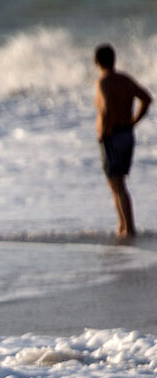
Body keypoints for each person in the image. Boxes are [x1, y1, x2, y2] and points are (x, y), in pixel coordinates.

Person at [95, 43, 152, 239]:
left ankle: (128, 228)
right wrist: (133, 122)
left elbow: (106, 108)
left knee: (117, 184)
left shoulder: (104, 82)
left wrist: (102, 130)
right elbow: (146, 98)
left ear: (97, 62)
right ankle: (122, 225)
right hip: (127, 134)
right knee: (117, 183)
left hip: (113, 135)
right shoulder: (125, 80)